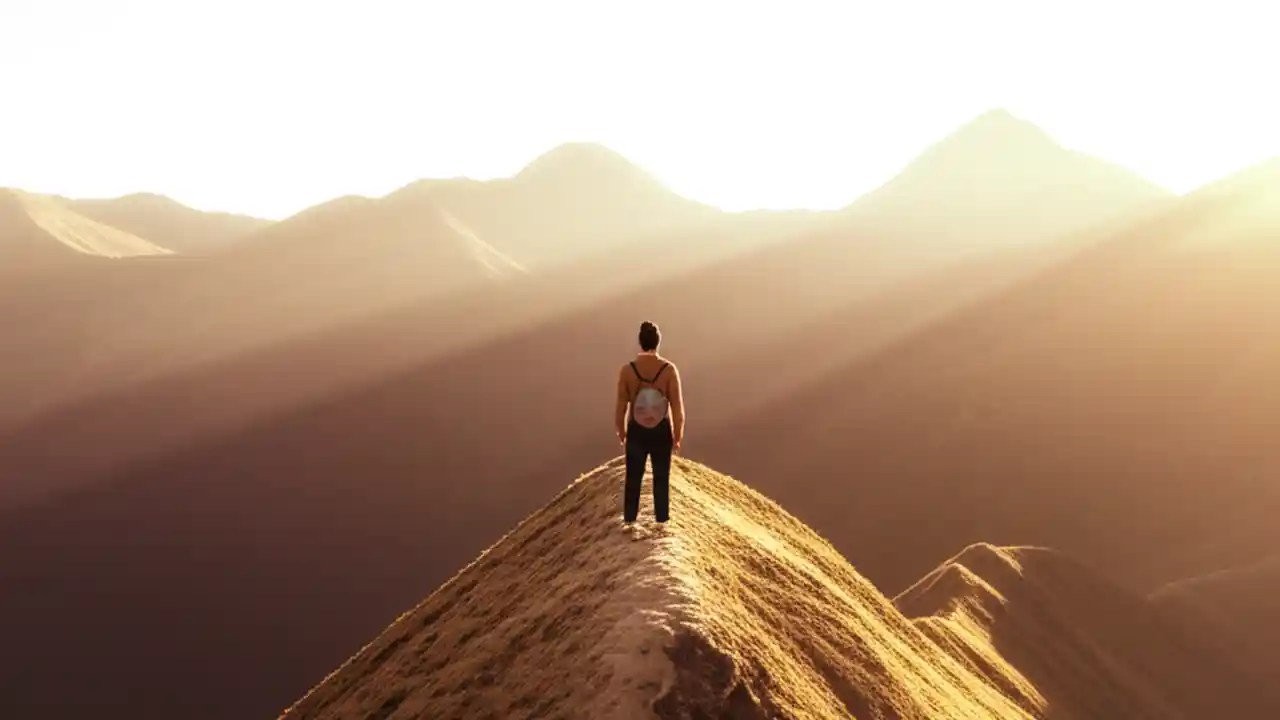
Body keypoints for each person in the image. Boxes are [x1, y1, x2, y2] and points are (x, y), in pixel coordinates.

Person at [615, 321, 684, 524]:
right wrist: (677, 435)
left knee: (633, 480)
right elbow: (677, 408)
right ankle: (661, 522)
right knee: (661, 480)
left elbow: (621, 406)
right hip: (661, 430)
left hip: (636, 430)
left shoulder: (627, 371)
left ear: (640, 342)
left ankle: (629, 522)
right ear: (658, 342)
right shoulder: (669, 370)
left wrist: (622, 431)